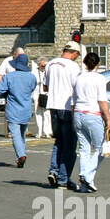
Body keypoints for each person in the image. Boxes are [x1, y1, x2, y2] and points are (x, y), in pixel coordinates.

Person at [44, 42, 84, 188]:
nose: (76, 58)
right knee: (70, 145)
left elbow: (45, 86)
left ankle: (53, 170)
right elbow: (77, 87)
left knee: (59, 141)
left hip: (53, 105)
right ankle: (63, 178)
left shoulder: (50, 64)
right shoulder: (73, 67)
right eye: (77, 55)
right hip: (67, 107)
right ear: (74, 52)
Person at [72, 52, 110, 192]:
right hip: (92, 114)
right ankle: (86, 175)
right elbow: (102, 100)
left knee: (84, 149)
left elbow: (74, 99)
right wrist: (108, 119)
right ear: (98, 64)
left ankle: (85, 184)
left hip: (78, 113)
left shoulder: (78, 78)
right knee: (101, 148)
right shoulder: (100, 78)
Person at [0, 53, 37, 167]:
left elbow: (0, 90)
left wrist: (7, 93)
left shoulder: (9, 77)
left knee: (15, 134)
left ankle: (21, 155)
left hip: (13, 109)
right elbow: (32, 87)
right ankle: (19, 157)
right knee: (22, 135)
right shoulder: (31, 77)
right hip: (26, 109)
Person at [33, 56, 52, 138]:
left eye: (46, 65)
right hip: (37, 94)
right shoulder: (34, 72)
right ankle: (39, 131)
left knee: (47, 113)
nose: (44, 67)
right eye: (43, 66)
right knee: (38, 113)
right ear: (39, 65)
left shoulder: (49, 72)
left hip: (46, 94)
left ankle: (47, 132)